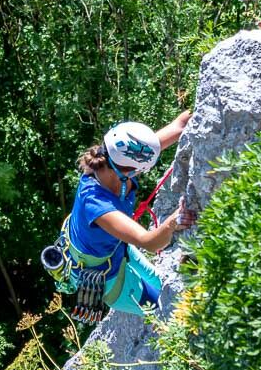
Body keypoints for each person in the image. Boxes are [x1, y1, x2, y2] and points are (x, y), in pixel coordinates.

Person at [44, 114, 196, 320]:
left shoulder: (116, 161)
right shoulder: (97, 204)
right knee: (166, 308)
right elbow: (149, 242)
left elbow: (178, 126)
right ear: (129, 170)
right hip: (107, 278)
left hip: (116, 248)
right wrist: (173, 222)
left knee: (159, 280)